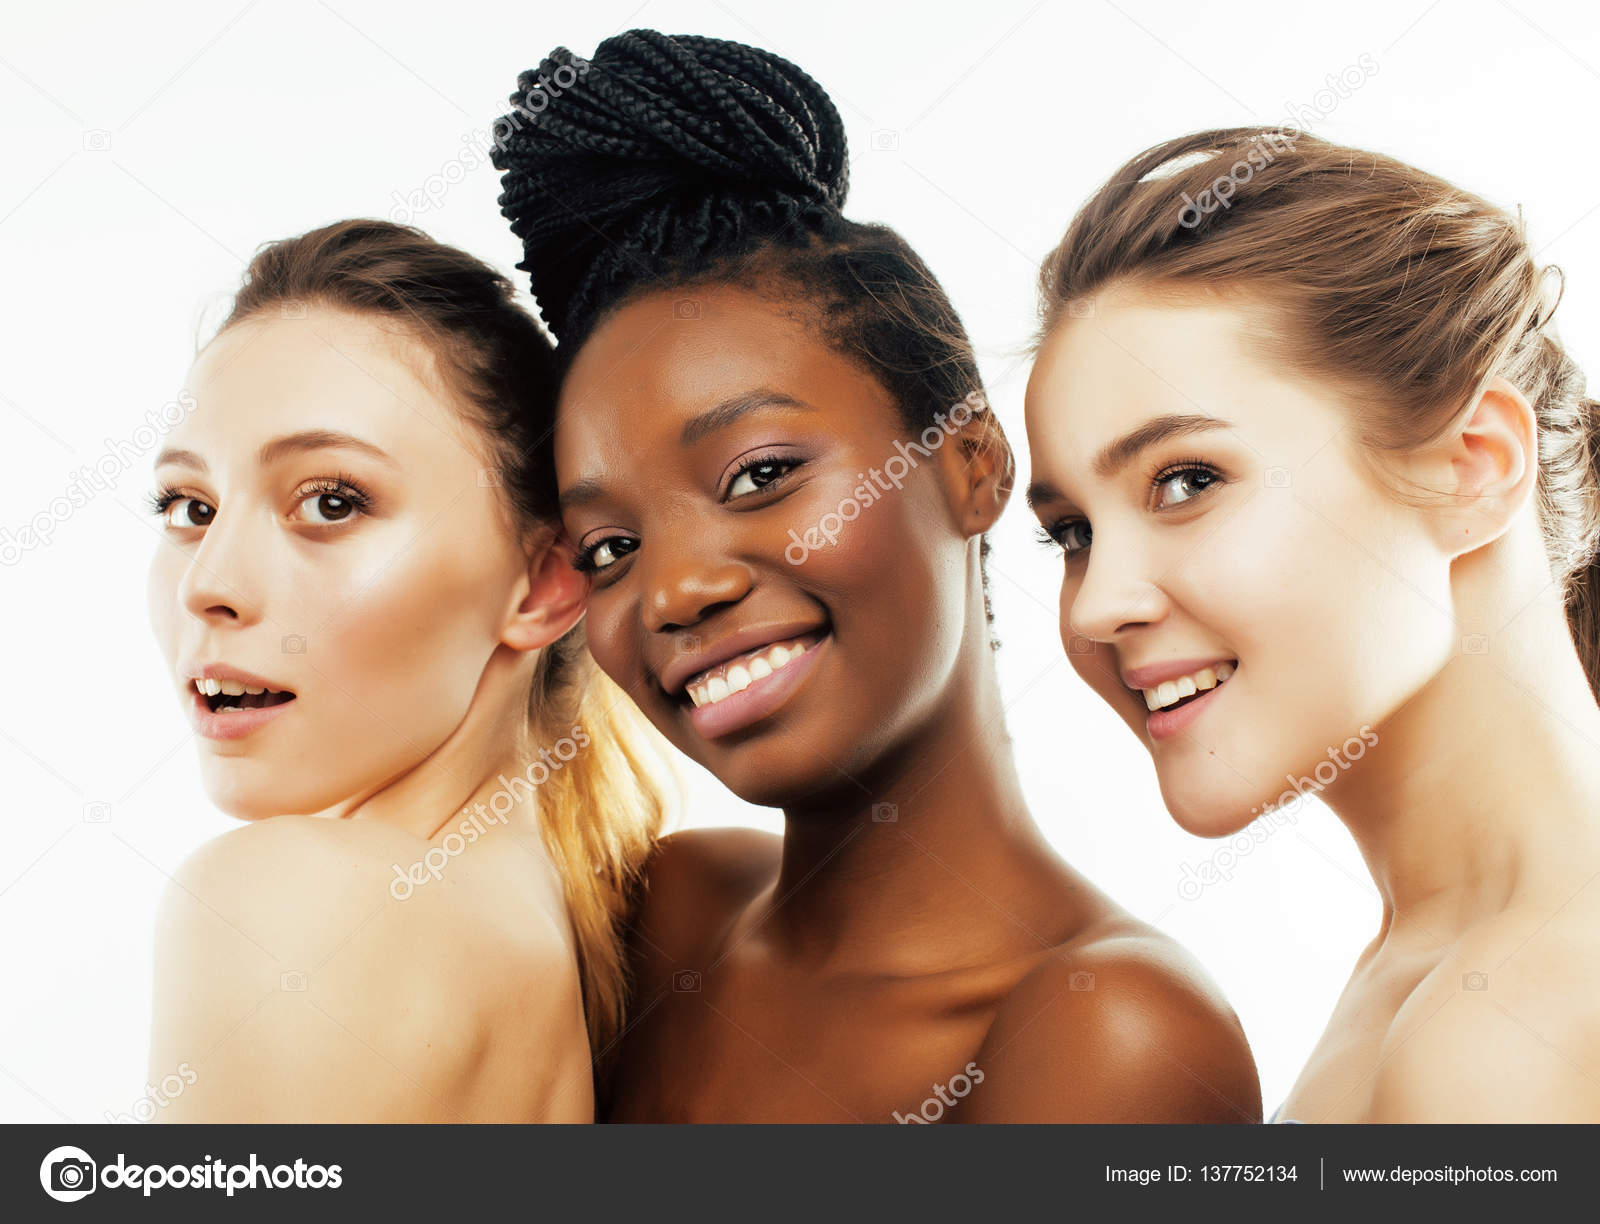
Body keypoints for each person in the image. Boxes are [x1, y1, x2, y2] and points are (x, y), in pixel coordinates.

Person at [492, 30, 1261, 1123]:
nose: (672, 593)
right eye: (609, 548)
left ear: (970, 463)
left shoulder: (1110, 1031)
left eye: (759, 474)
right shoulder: (661, 915)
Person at [1024, 127, 1600, 1122]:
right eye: (1071, 532)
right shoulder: (1434, 974)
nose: (1096, 602)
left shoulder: (1525, 1020)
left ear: (1474, 466)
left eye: (1185, 481)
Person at [144, 220, 666, 1121]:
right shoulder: (561, 944)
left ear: (542, 582)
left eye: (332, 501)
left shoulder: (288, 906)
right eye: (190, 506)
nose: (208, 584)